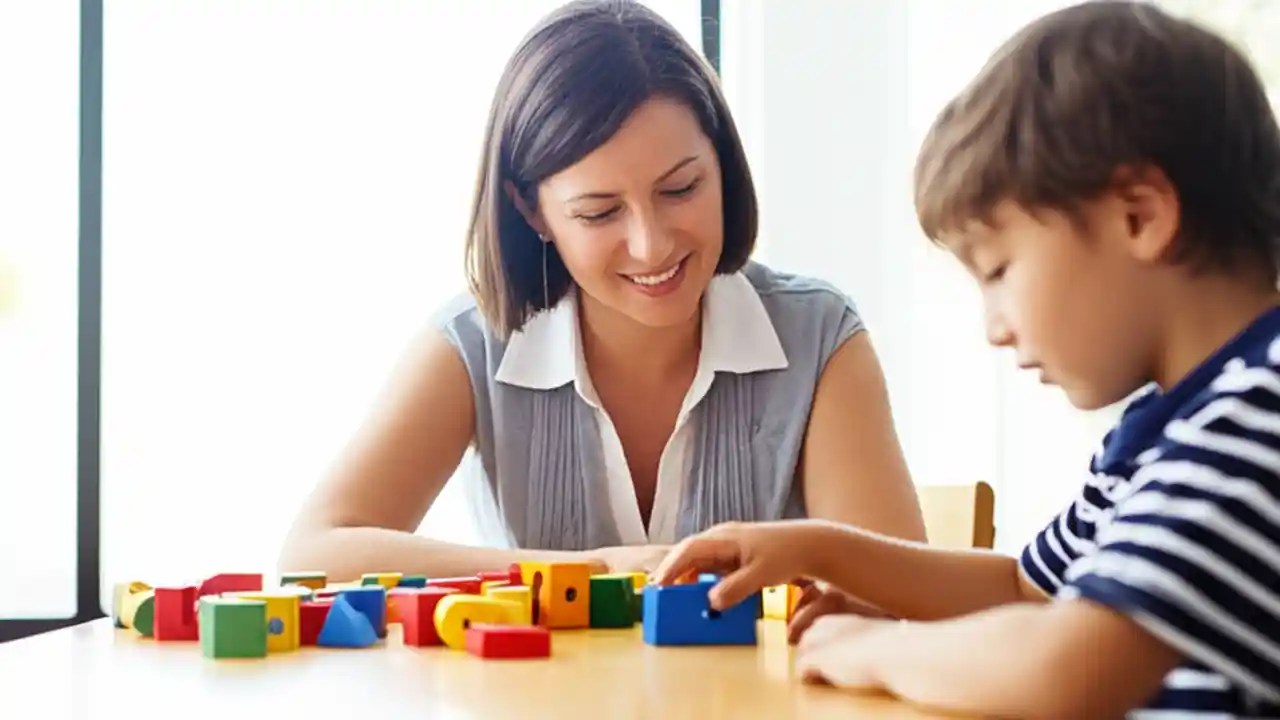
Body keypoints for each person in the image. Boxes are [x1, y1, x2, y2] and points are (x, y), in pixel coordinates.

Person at [653, 2, 1280, 717]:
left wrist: (867, 650)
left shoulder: (1254, 413)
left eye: (1000, 269)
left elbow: (1065, 666)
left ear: (1139, 216)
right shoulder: (1167, 429)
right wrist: (815, 549)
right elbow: (1025, 589)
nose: (995, 328)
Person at [277, 0, 925, 582]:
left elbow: (901, 594)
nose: (652, 245)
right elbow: (314, 554)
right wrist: (585, 571)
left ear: (722, 167)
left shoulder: (819, 336)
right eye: (598, 212)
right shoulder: (474, 345)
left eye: (681, 189)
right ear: (532, 212)